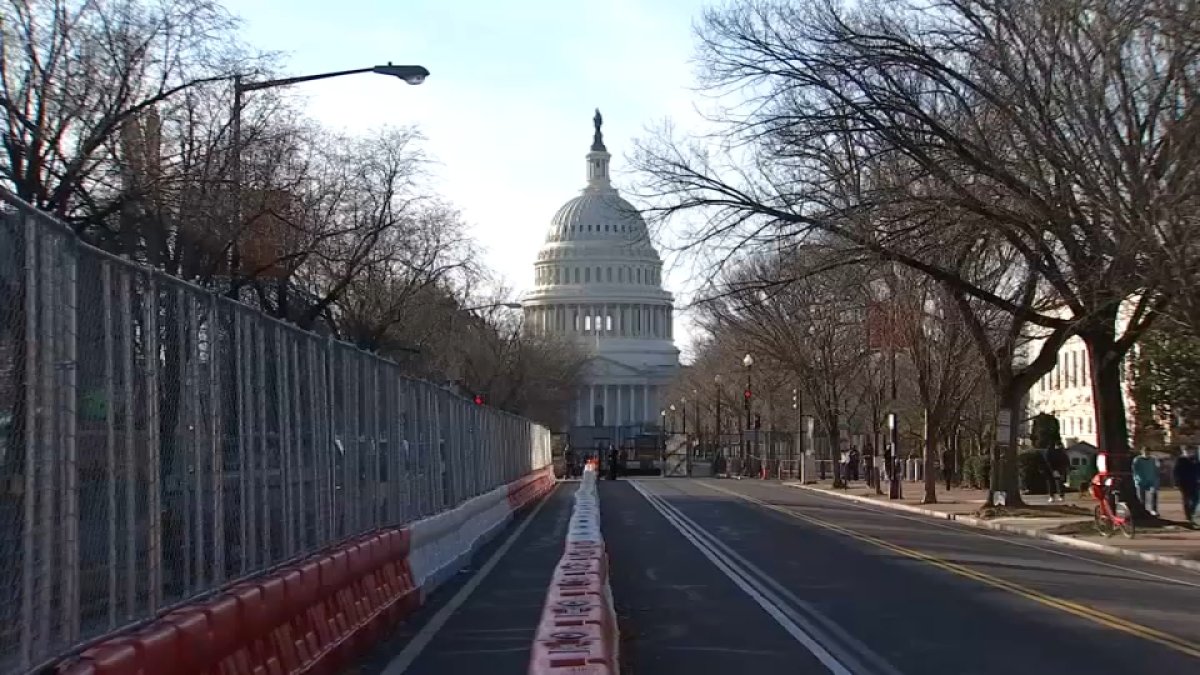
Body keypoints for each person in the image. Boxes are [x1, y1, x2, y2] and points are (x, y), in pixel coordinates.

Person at [1131, 447, 1160, 516]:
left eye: (1148, 451)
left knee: (1154, 495)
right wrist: (1137, 479)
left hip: (1151, 480)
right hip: (1141, 480)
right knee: (1142, 497)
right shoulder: (1137, 460)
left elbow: (1156, 469)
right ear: (1141, 451)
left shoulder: (1153, 459)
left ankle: (1154, 510)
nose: (1146, 452)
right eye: (1145, 451)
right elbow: (1134, 470)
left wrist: (1156, 478)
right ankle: (1143, 511)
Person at [1173, 447, 1198, 525]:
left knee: (1195, 499)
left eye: (1190, 450)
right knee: (1186, 499)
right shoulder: (1180, 460)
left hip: (1194, 482)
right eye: (1187, 450)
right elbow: (1176, 472)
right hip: (1183, 483)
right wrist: (1177, 483)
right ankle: (1188, 516)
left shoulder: (1195, 460)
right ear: (1183, 451)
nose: (1189, 452)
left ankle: (1192, 511)